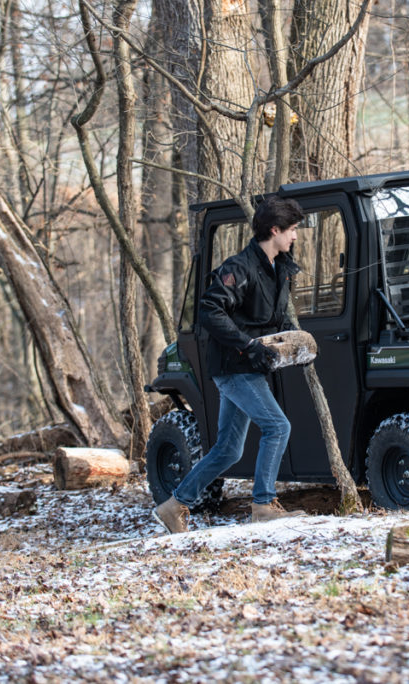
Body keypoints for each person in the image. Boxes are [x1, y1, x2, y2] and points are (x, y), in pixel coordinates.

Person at [153, 195, 307, 534]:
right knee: (277, 427)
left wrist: (293, 345)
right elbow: (210, 311)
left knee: (227, 450)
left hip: (249, 368)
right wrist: (248, 345)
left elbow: (272, 318)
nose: (295, 236)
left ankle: (173, 506)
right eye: (292, 229)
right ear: (275, 230)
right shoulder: (239, 268)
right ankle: (263, 505)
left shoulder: (278, 268)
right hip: (234, 367)